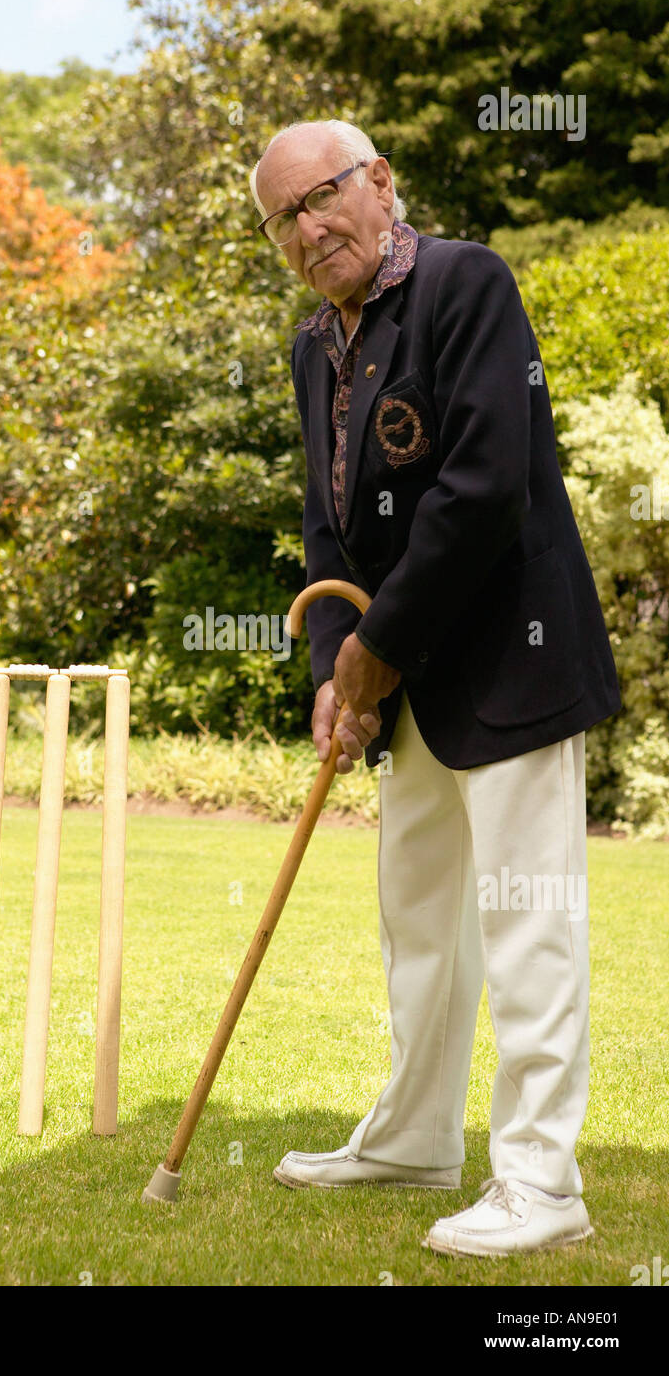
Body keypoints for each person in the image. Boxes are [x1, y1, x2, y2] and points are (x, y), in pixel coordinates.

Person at [248, 119, 621, 1257]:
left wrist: (379, 649)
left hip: (513, 652)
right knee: (419, 921)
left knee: (525, 920)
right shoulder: (317, 346)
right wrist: (334, 674)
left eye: (322, 198)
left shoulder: (466, 283)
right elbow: (328, 529)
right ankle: (413, 1137)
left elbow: (481, 488)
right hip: (403, 685)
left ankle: (541, 1183)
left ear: (380, 183)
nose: (309, 230)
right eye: (282, 221)